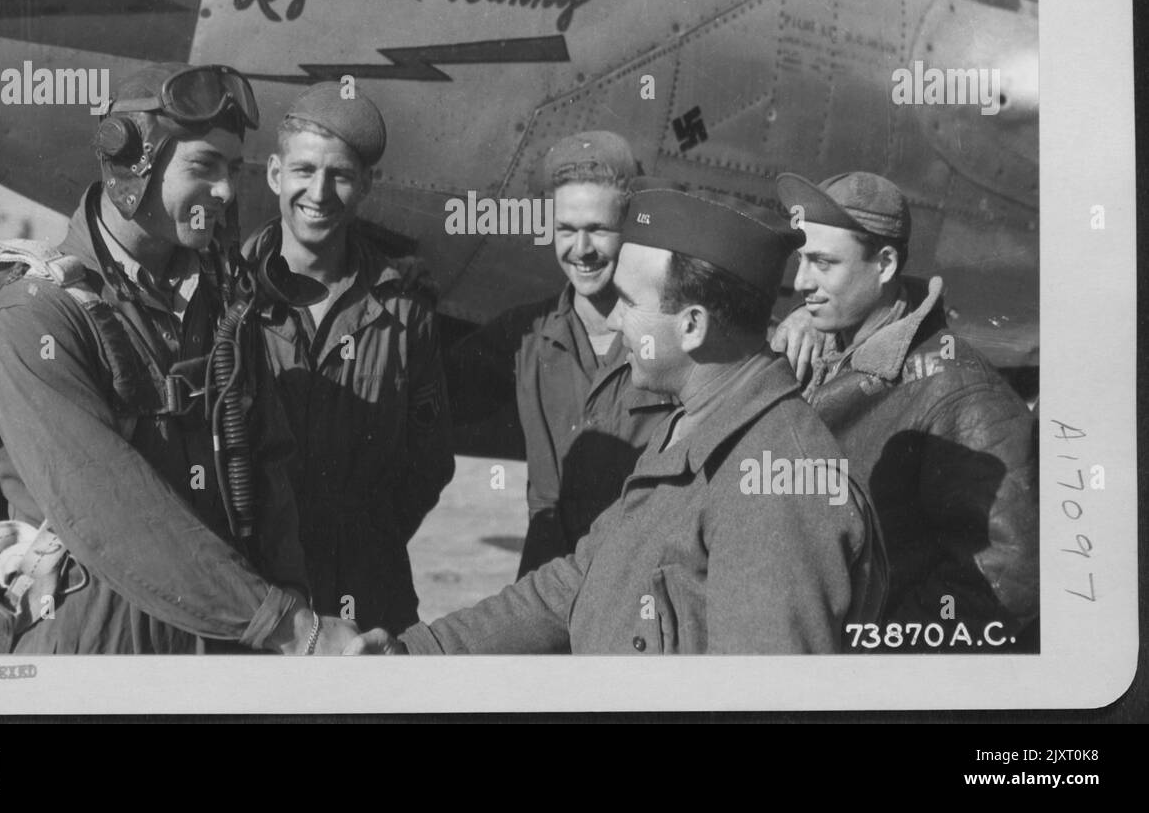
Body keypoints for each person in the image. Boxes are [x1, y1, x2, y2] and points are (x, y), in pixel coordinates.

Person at [348, 187, 884, 655]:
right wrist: (416, 653)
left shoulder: (773, 482)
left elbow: (762, 705)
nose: (616, 319)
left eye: (630, 302)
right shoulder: (696, 424)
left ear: (693, 326)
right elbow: (577, 581)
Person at [0, 63, 357, 654]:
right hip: (93, 658)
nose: (225, 191)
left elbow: (268, 469)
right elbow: (110, 512)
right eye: (203, 166)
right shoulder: (34, 319)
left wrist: (292, 611)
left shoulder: (218, 309)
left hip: (223, 647)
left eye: (233, 169)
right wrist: (294, 631)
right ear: (130, 166)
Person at [773, 170, 1039, 648]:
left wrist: (877, 655)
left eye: (822, 263)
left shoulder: (960, 392)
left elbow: (1011, 577)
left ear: (886, 264)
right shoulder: (821, 346)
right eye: (801, 260)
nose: (799, 283)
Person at [244, 81, 454, 635]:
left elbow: (428, 462)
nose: (319, 191)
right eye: (303, 170)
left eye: (339, 174)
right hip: (258, 601)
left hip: (370, 592)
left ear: (366, 184)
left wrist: (361, 538)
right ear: (274, 174)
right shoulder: (227, 303)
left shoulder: (406, 311)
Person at [447, 133, 676, 577]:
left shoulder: (672, 334)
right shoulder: (524, 335)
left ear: (628, 229)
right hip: (545, 586)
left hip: (640, 584)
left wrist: (803, 325)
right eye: (567, 230)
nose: (582, 250)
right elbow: (425, 388)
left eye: (599, 230)